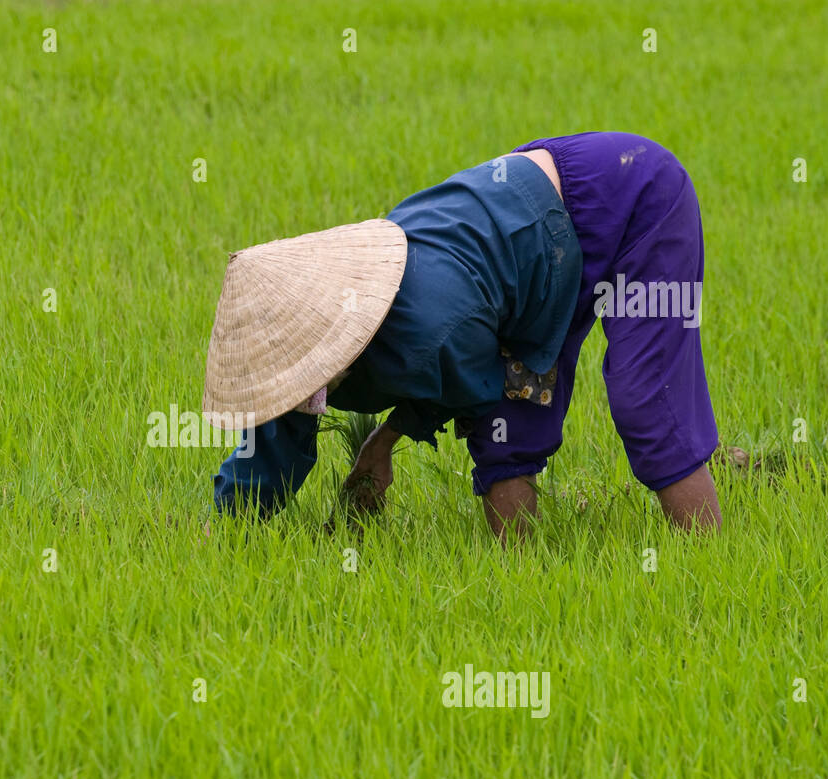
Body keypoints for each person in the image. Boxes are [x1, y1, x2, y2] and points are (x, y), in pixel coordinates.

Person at [204, 132, 721, 541]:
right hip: (527, 244)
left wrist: (383, 442)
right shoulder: (311, 340)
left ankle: (708, 564)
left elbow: (466, 377)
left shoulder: (429, 325)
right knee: (509, 431)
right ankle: (524, 586)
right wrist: (219, 532)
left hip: (631, 196)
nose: (301, 381)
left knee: (644, 399)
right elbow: (275, 439)